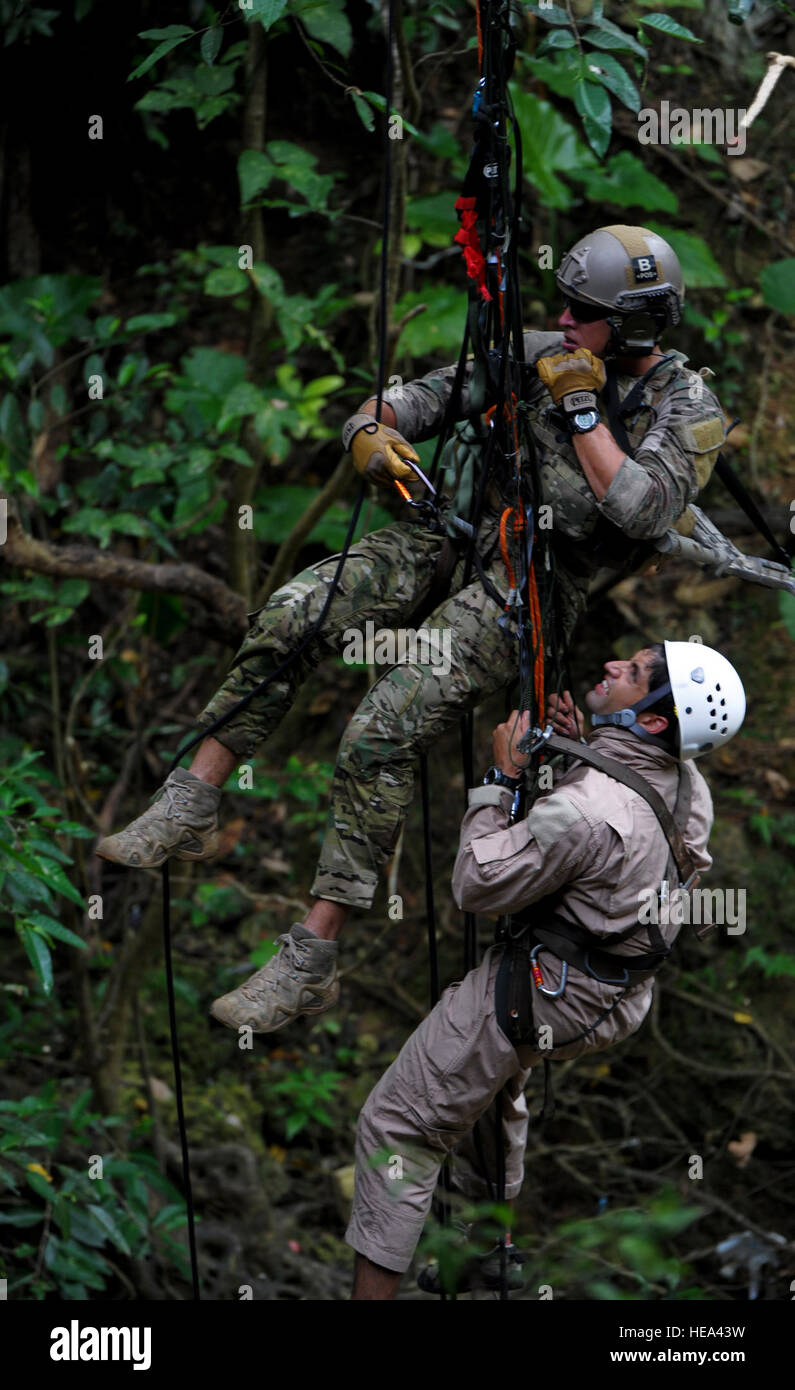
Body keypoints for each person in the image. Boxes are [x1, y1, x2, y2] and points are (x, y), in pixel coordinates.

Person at [94, 225, 728, 1035]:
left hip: (532, 586)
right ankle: (191, 799)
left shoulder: (687, 410)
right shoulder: (540, 351)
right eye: (563, 306)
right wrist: (372, 429)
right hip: (456, 532)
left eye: (584, 312)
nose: (564, 323)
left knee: (382, 725)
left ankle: (310, 959)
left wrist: (575, 404)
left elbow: (638, 507)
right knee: (294, 614)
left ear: (635, 323)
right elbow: (420, 397)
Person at [346, 639, 746, 1299]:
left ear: (649, 719)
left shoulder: (587, 810)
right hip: (613, 995)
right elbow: (635, 844)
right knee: (480, 1090)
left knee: (400, 1123)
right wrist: (578, 747)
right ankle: (487, 1252)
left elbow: (477, 882)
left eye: (635, 671)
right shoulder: (685, 788)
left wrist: (499, 781)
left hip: (540, 991)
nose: (614, 662)